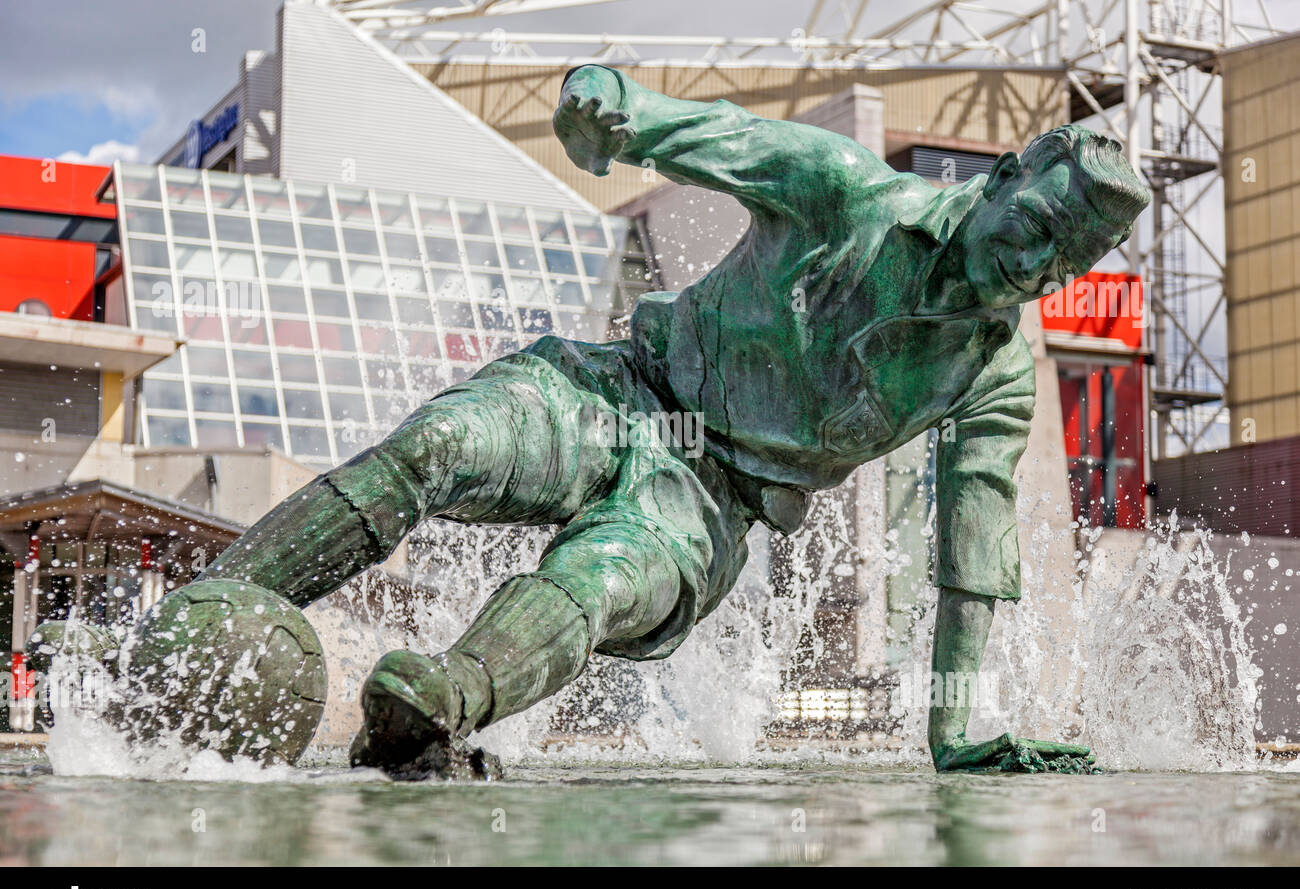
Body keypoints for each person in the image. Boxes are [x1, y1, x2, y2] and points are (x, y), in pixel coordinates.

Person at [203, 65, 1150, 777]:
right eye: (1035, 228)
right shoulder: (844, 189)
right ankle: (203, 611)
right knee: (440, 444)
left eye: (1061, 265)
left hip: (706, 506)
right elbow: (704, 131)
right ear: (1005, 178)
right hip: (617, 392)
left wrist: (955, 733)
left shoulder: (995, 375)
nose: (1033, 269)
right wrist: (603, 100)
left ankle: (437, 709)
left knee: (602, 583)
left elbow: (972, 556)